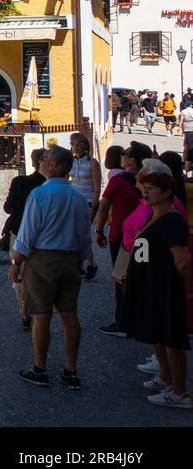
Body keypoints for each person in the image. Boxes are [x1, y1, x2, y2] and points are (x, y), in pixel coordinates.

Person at [10, 145, 91, 390]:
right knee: (69, 314)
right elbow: (84, 234)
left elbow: (28, 233)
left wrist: (17, 262)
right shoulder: (78, 197)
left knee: (41, 315)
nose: (42, 162)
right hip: (70, 259)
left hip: (42, 259)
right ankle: (70, 370)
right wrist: (82, 260)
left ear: (56, 166)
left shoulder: (40, 195)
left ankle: (40, 368)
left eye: (46, 159)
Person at [121, 160, 190, 408]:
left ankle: (180, 392)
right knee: (158, 334)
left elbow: (181, 260)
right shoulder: (155, 214)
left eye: (151, 188)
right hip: (150, 284)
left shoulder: (171, 219)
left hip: (164, 286)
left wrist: (183, 289)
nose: (145, 192)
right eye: (145, 188)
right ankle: (166, 377)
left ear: (167, 192)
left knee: (172, 338)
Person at [94, 142, 150, 338]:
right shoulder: (150, 179)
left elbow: (104, 207)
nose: (122, 156)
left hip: (122, 236)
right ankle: (141, 318)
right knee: (141, 276)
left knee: (122, 277)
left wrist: (99, 230)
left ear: (131, 160)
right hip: (145, 237)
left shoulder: (117, 181)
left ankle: (123, 323)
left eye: (125, 153)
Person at [1, 148, 47, 330]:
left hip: (18, 232)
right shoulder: (49, 185)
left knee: (17, 275)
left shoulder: (20, 181)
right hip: (42, 235)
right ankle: (37, 309)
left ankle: (24, 312)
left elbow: (8, 208)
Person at [68, 132, 101, 280]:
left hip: (88, 200)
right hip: (74, 199)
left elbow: (97, 186)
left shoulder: (92, 162)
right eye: (72, 144)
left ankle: (90, 264)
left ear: (85, 146)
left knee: (83, 232)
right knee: (75, 233)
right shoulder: (71, 162)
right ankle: (80, 265)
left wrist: (94, 204)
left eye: (77, 144)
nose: (74, 147)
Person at [180, 98, 193, 167]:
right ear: (191, 105)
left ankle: (184, 160)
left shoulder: (183, 111)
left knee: (186, 145)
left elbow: (181, 120)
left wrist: (180, 127)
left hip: (187, 128)